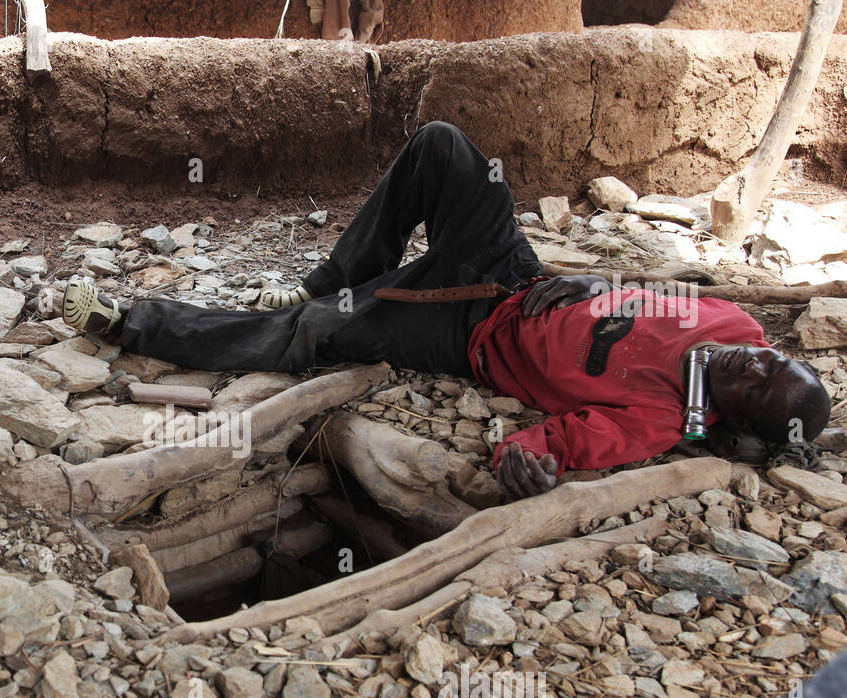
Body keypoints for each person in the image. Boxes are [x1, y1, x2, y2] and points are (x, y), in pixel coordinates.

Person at [61, 121, 831, 500]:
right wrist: (590, 286)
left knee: (318, 334)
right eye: (772, 360)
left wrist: (523, 467)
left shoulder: (658, 422)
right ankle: (331, 273)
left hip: (469, 337)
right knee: (443, 147)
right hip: (514, 277)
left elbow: (549, 442)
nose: (753, 362)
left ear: (735, 416)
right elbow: (659, 297)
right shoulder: (738, 328)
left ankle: (136, 322)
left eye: (759, 384)